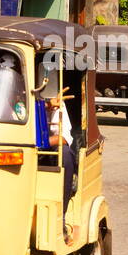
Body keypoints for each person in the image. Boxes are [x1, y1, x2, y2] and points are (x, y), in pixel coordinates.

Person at [47, 91, 79, 246]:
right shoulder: (5, 94)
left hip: (44, 149)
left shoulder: (54, 101)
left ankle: (62, 217)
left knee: (65, 154)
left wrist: (47, 107)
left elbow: (64, 138)